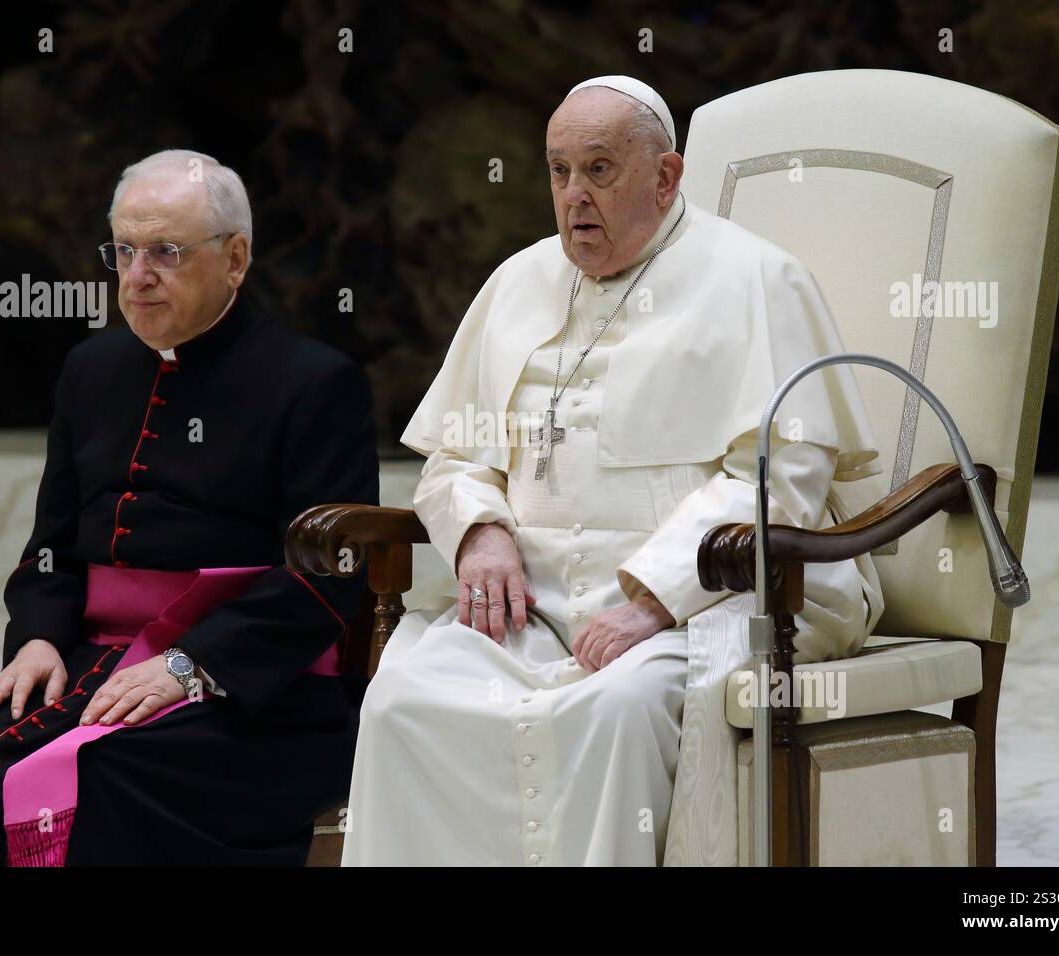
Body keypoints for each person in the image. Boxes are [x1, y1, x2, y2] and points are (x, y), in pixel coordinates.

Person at [341, 77, 885, 866]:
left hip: (719, 600)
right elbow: (456, 452)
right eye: (558, 171)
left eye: (599, 170)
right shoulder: (518, 281)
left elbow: (781, 476)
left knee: (618, 710)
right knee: (402, 699)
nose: (573, 196)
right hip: (537, 605)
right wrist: (480, 532)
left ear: (666, 177)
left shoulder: (756, 280)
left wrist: (653, 599)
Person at [0, 149, 378, 866]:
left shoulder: (315, 383)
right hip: (96, 663)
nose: (137, 275)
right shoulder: (91, 370)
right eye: (123, 250)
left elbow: (327, 577)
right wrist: (37, 635)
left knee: (92, 772)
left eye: (165, 252)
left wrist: (191, 665)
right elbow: (52, 546)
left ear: (236, 257)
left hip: (254, 693)